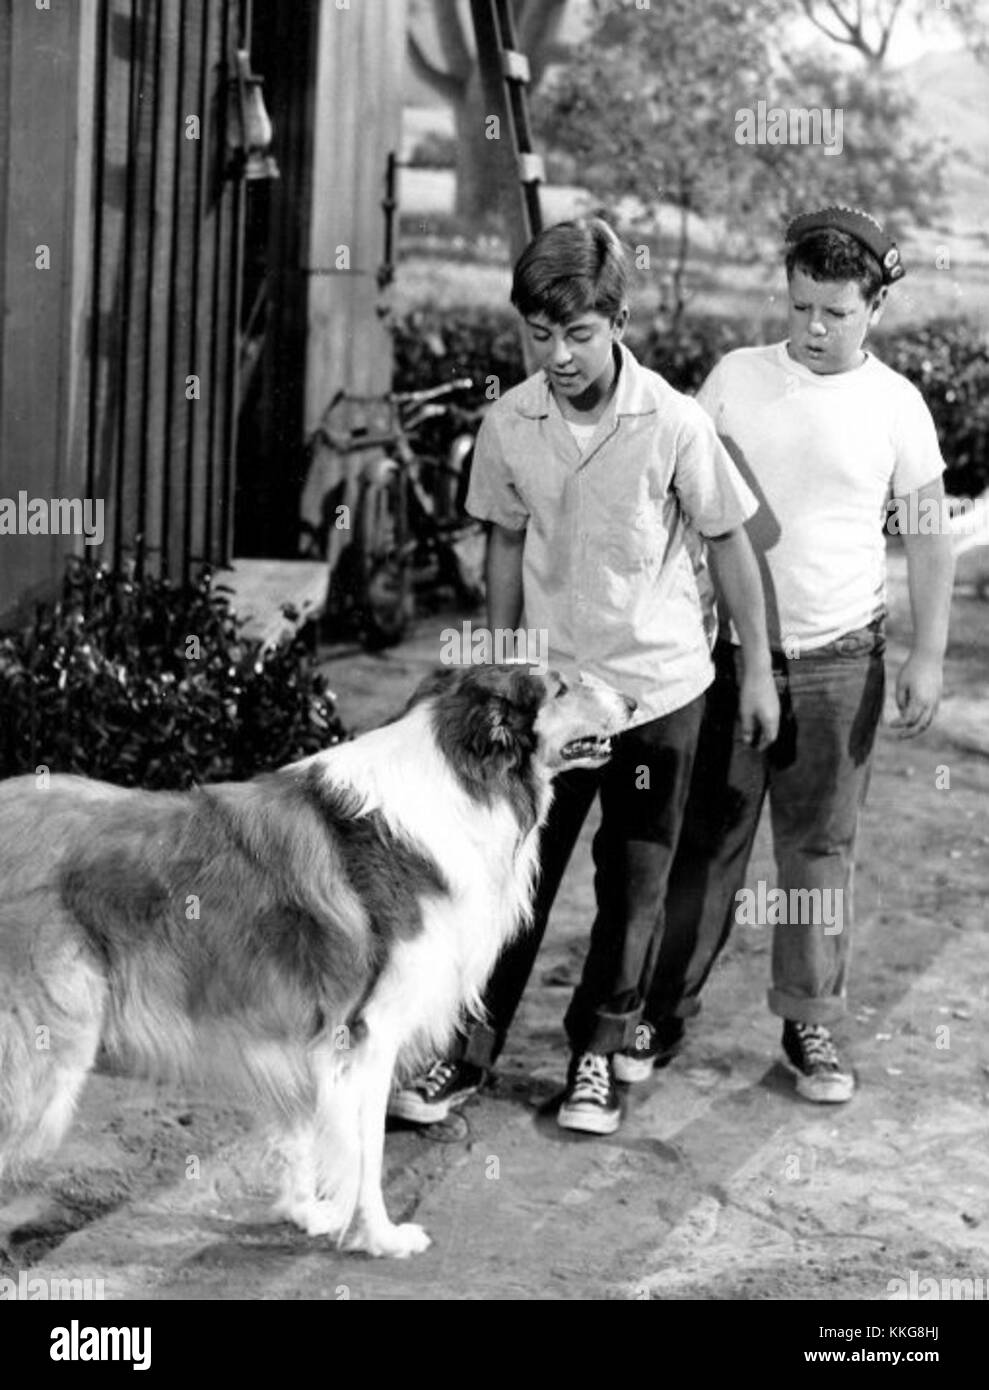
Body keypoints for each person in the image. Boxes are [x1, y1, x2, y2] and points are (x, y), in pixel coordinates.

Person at [389, 216, 778, 1135]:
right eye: (538, 334)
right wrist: (495, 660)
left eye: (577, 334)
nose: (557, 355)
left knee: (634, 887)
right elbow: (503, 539)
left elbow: (728, 546)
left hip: (656, 695)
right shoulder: (509, 421)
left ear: (618, 321)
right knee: (508, 877)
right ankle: (463, 1050)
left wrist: (753, 669)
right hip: (547, 699)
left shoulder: (677, 425)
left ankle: (596, 1058)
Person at [625, 205, 955, 1103]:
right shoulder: (733, 379)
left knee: (817, 855)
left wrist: (927, 655)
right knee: (706, 846)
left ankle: (808, 1023)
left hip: (841, 661)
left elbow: (928, 538)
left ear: (874, 308)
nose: (812, 328)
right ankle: (658, 1012)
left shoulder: (896, 405)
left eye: (834, 313)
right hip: (731, 661)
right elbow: (671, 493)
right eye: (799, 306)